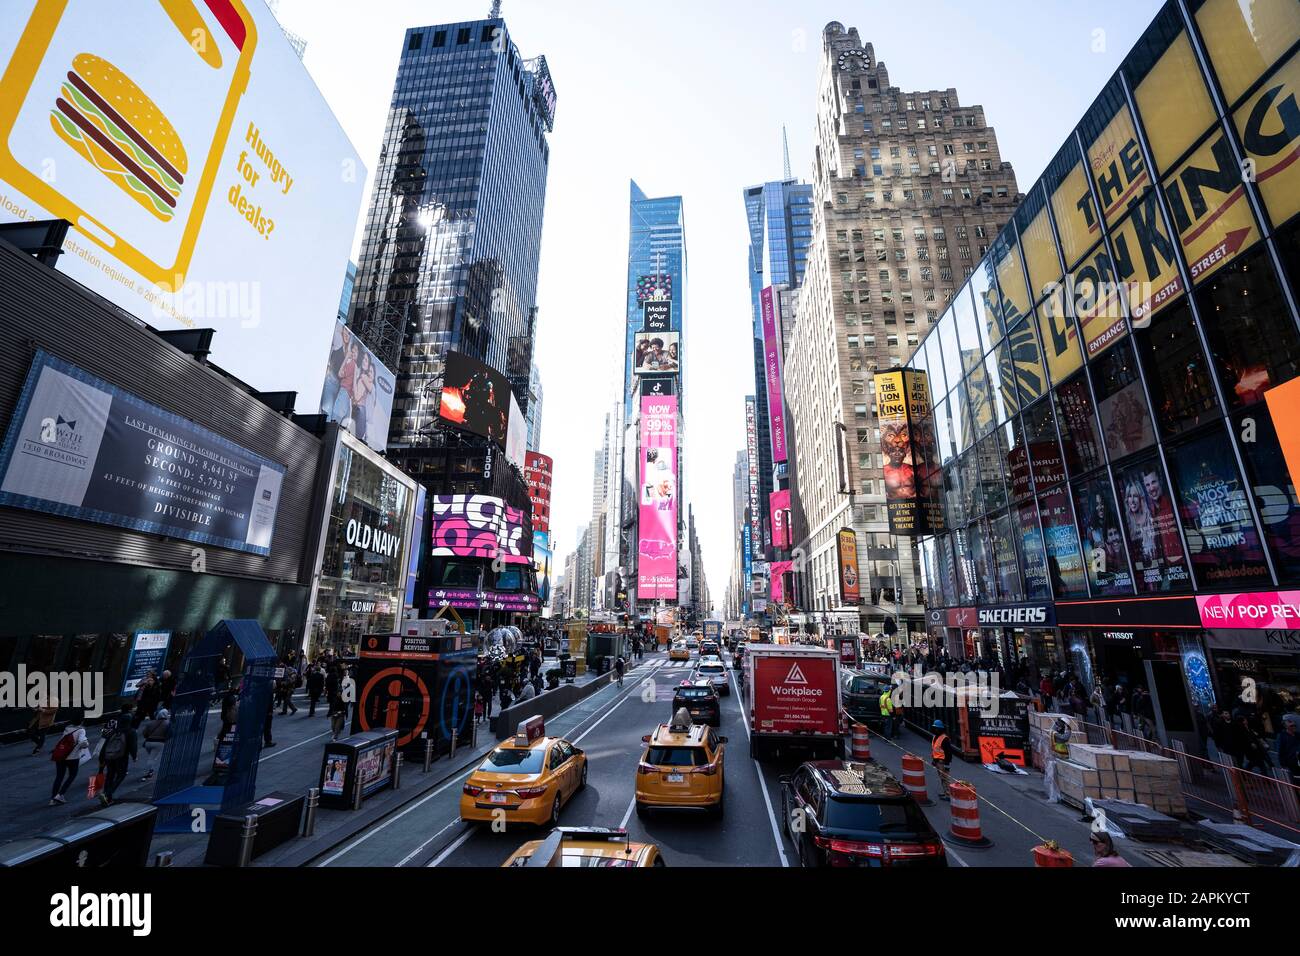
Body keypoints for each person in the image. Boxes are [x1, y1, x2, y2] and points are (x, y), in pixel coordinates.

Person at [98, 703, 138, 806]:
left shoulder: (114, 731)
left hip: (108, 756)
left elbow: (105, 743)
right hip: (121, 756)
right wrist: (134, 756)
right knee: (121, 774)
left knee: (110, 775)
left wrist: (102, 757)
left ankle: (107, 797)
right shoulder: (131, 731)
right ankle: (107, 794)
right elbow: (133, 746)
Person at [48, 713, 91, 806]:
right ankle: (60, 794)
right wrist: (86, 744)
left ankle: (52, 799)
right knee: (72, 775)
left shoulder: (67, 728)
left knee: (59, 777)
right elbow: (83, 742)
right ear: (81, 722)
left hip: (61, 756)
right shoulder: (81, 730)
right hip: (73, 757)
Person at [138, 706, 171, 782]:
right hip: (159, 742)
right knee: (152, 758)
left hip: (148, 743)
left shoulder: (151, 722)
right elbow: (170, 733)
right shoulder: (168, 723)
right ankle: (148, 773)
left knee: (152, 757)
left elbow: (144, 733)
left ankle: (151, 770)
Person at [930, 719, 955, 800]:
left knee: (945, 778)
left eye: (937, 728)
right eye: (935, 728)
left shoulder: (944, 739)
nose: (936, 730)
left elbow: (948, 753)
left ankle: (948, 795)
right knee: (942, 778)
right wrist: (934, 760)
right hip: (938, 761)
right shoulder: (935, 737)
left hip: (942, 762)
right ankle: (945, 792)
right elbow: (935, 749)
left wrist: (947, 764)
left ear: (940, 729)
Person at [1278, 714, 1299, 784]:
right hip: (1291, 763)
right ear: (1286, 726)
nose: (1293, 727)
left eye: (1294, 725)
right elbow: (1280, 751)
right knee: (1296, 780)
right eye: (1291, 726)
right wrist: (1283, 765)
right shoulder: (1282, 736)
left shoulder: (1298, 735)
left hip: (1298, 761)